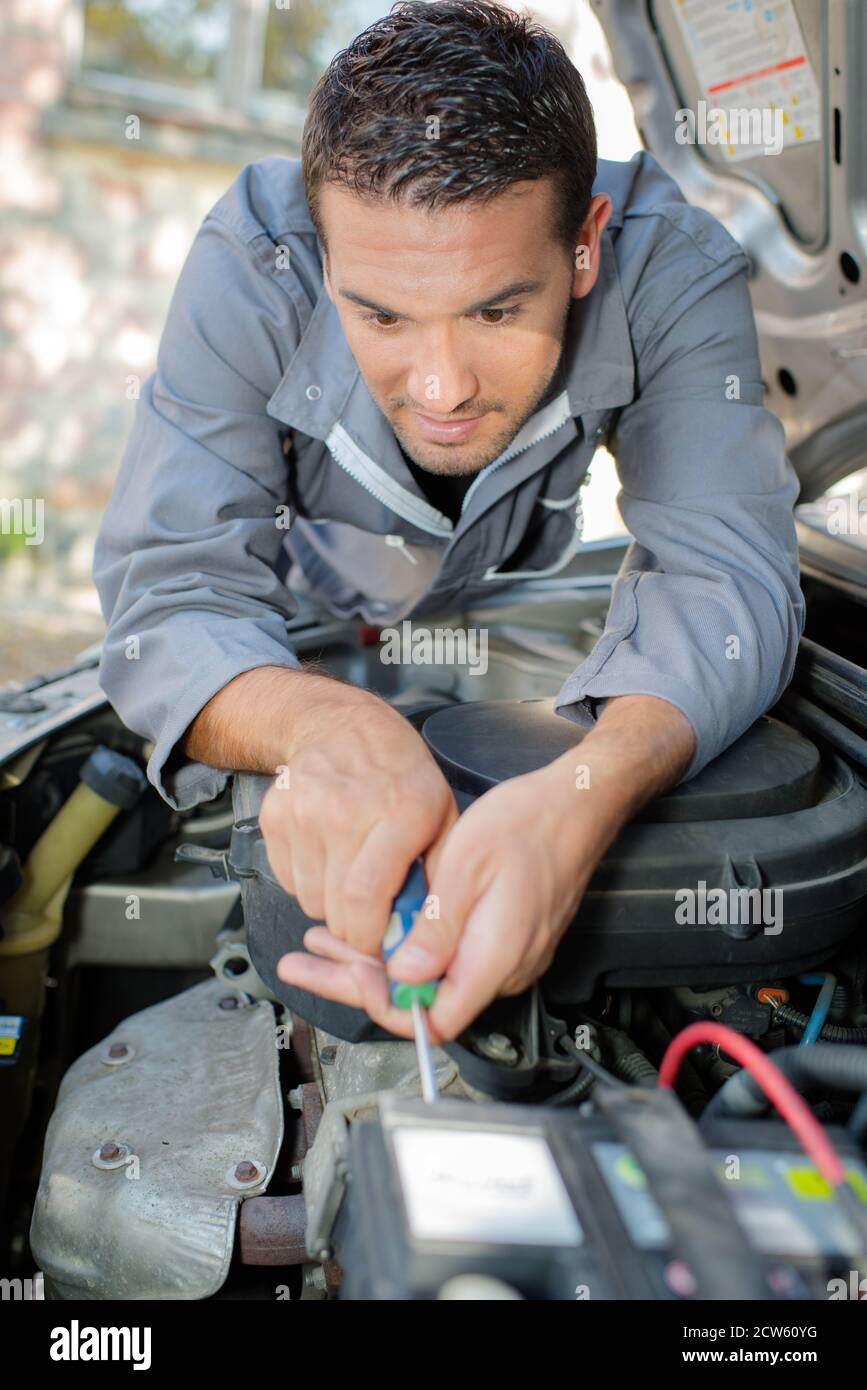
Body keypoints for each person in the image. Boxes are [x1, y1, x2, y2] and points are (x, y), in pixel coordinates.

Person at [92, 0, 804, 1046]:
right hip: (296, 625)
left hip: (512, 599)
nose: (441, 386)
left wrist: (584, 792)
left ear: (586, 246)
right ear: (325, 259)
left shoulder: (674, 268)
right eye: (380, 313)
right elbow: (170, 594)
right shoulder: (255, 260)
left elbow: (726, 579)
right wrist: (329, 725)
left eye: (496, 310)